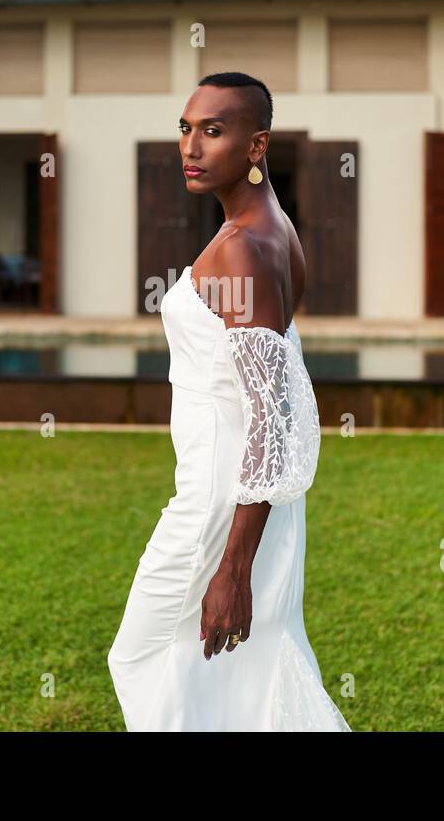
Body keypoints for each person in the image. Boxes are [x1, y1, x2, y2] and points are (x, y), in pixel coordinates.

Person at [107, 71, 351, 731]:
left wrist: (233, 570)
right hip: (246, 495)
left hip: (222, 501)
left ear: (255, 145)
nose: (191, 146)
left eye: (213, 131)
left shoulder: (244, 248)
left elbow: (274, 415)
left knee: (142, 654)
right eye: (185, 129)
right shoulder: (270, 231)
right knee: (237, 671)